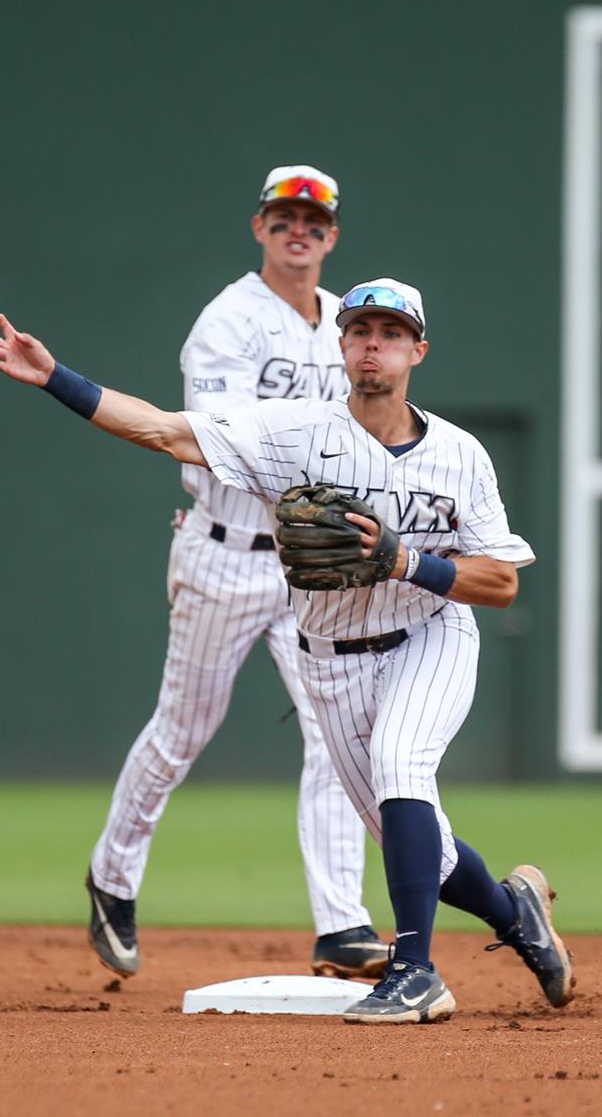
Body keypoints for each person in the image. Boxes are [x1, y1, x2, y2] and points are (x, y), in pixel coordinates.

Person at [0, 277, 572, 1024]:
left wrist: (406, 563)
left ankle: (415, 971)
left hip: (430, 633)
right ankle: (516, 912)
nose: (373, 345)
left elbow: (499, 584)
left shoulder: (460, 456)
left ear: (417, 351)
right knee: (418, 842)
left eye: (391, 334)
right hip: (332, 657)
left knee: (402, 765)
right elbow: (166, 431)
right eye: (361, 331)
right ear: (342, 344)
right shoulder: (292, 433)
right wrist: (55, 379)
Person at [80, 166, 387, 981]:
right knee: (183, 732)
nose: (300, 231)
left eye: (314, 221)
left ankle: (343, 925)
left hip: (311, 570)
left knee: (337, 736)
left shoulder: (343, 327)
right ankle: (112, 878)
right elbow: (219, 438)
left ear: (332, 237)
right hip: (226, 553)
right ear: (259, 227)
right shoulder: (228, 323)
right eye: (285, 217)